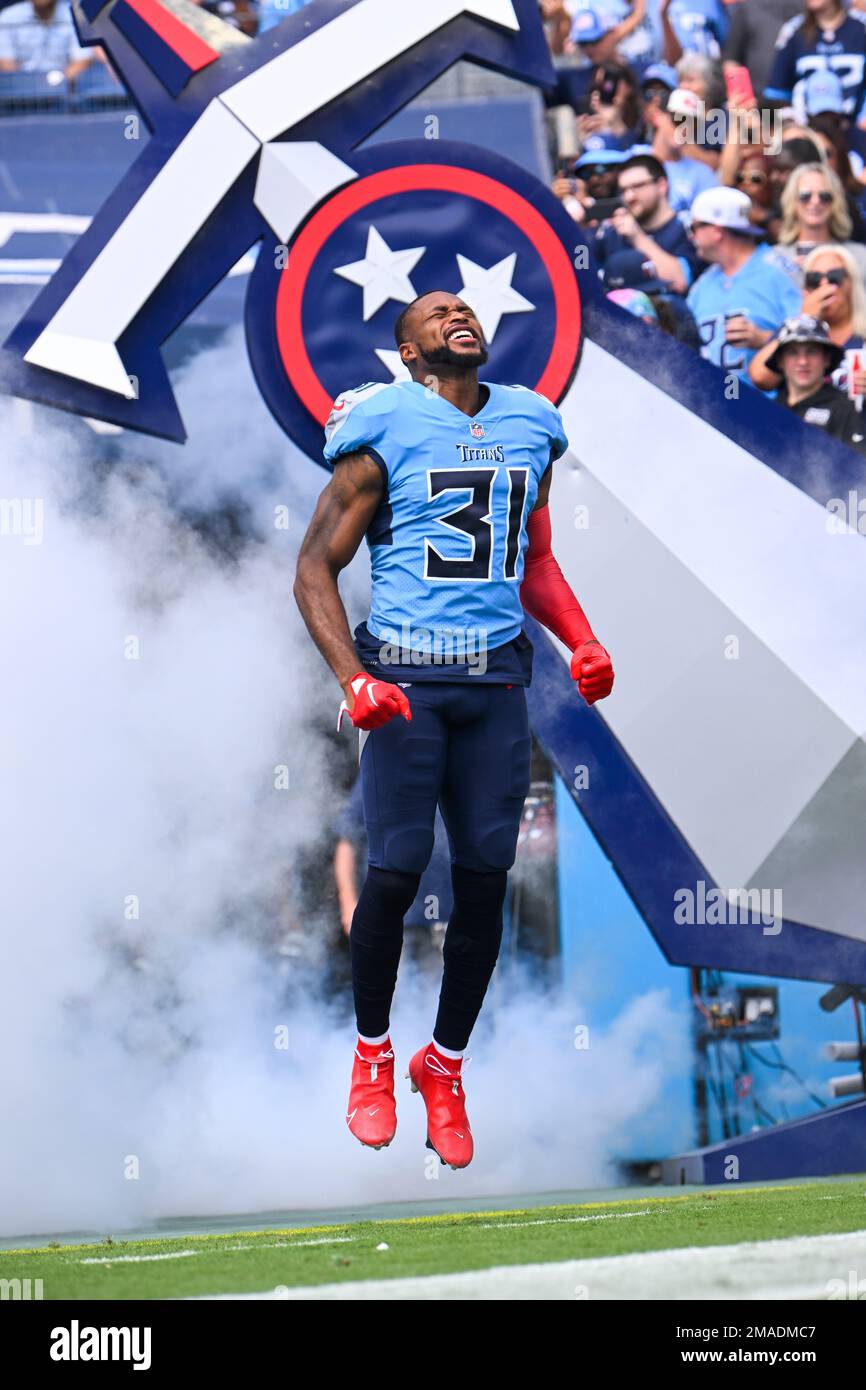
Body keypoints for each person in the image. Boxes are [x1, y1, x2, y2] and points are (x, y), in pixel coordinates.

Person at [293, 292, 615, 1169]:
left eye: (464, 306)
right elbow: (314, 566)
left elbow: (535, 558)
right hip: (404, 679)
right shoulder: (384, 423)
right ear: (406, 350)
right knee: (393, 874)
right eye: (434, 313)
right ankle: (371, 1054)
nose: (457, 315)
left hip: (496, 680)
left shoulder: (531, 422)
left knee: (485, 884)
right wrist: (354, 678)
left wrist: (581, 638)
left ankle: (446, 1064)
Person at [687, 185, 802, 378]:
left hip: (769, 403)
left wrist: (764, 339)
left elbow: (809, 338)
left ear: (717, 230)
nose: (691, 236)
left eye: (694, 227)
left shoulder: (781, 271)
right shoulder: (701, 286)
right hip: (711, 404)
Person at [749, 242, 866, 390]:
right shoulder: (796, 327)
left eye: (834, 276)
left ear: (851, 283)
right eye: (814, 279)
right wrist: (804, 319)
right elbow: (760, 378)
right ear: (806, 288)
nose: (824, 284)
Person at [593, 152, 702, 293]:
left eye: (637, 186)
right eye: (623, 190)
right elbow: (581, 267)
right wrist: (576, 229)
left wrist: (637, 237)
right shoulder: (610, 232)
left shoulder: (686, 227)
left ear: (661, 185)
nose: (629, 196)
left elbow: (680, 281)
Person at [760, 313, 866, 449]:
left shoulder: (847, 411)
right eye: (793, 352)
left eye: (812, 352)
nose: (803, 361)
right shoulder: (768, 411)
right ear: (780, 361)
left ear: (827, 359)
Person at [764, 0, 866, 125]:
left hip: (856, 129)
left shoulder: (861, 27)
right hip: (808, 129)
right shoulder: (794, 31)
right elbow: (776, 94)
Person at [777, 161, 866, 278]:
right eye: (805, 195)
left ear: (836, 201)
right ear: (792, 201)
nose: (815, 201)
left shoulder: (859, 256)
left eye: (824, 196)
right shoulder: (775, 259)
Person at [722, 0, 802, 106]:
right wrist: (742, 98)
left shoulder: (809, 8)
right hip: (756, 105)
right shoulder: (747, 8)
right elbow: (731, 60)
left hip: (799, 106)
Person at [0, 0, 94, 81]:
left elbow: (82, 59)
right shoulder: (8, 17)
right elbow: (5, 63)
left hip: (65, 89)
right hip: (21, 92)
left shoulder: (75, 15)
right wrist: (30, 85)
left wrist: (58, 83)